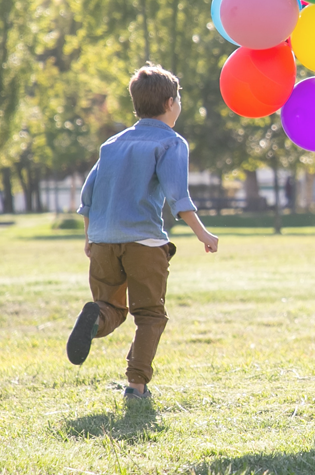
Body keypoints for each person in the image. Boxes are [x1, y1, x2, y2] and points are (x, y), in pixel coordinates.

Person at [67, 64, 219, 401]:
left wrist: (89, 237)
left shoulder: (112, 144)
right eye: (178, 99)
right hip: (144, 242)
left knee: (111, 308)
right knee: (149, 314)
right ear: (169, 103)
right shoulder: (171, 143)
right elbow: (178, 197)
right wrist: (203, 234)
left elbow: (87, 196)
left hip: (104, 240)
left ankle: (96, 317)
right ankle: (136, 386)